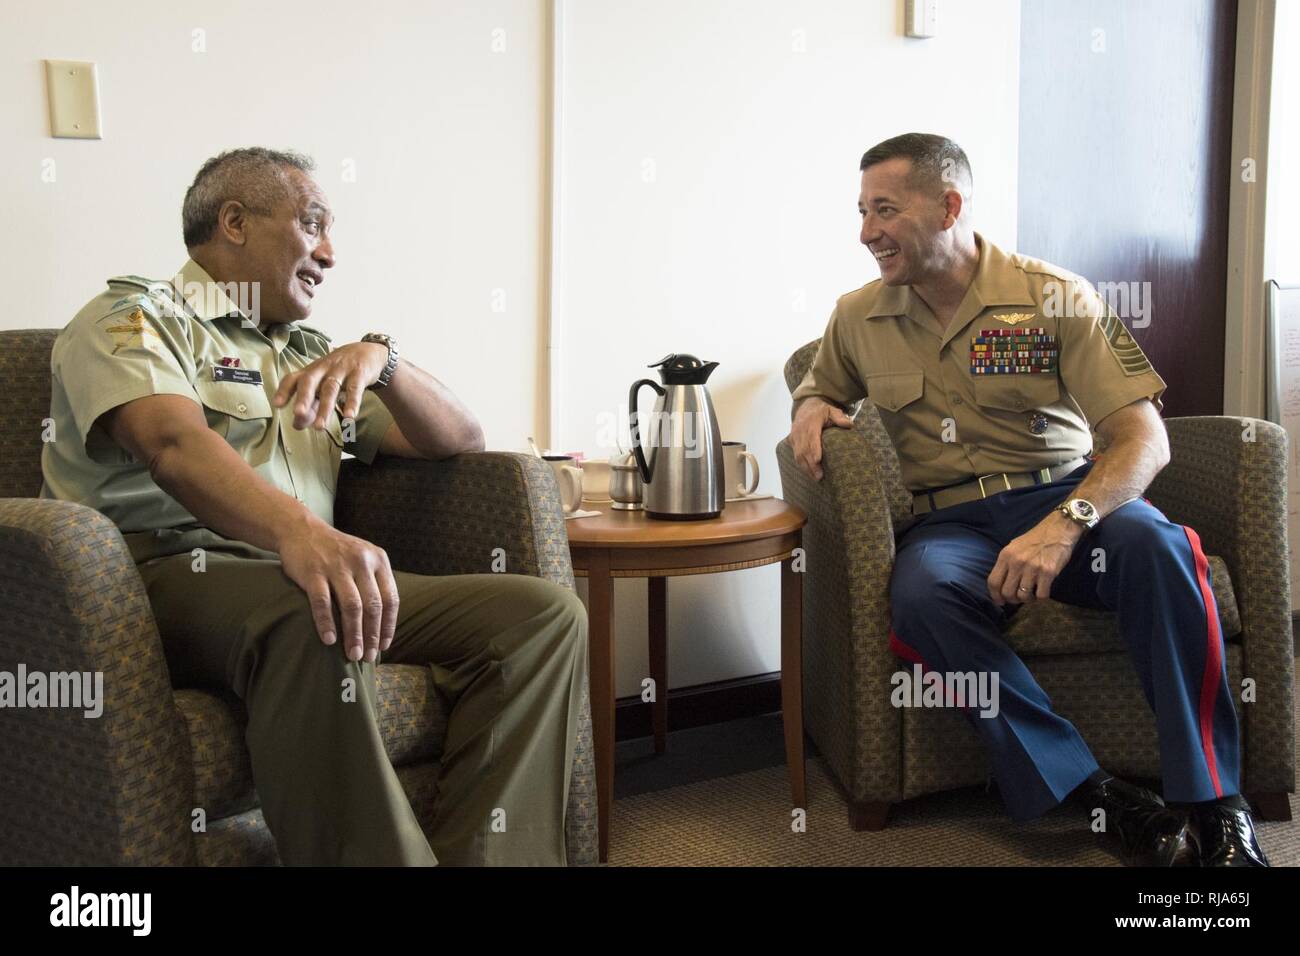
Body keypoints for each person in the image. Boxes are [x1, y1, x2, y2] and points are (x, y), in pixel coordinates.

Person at [40, 147, 588, 866]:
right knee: (311, 603)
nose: (329, 253)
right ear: (233, 221)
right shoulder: (130, 317)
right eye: (312, 224)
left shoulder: (306, 355)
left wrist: (381, 361)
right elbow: (169, 443)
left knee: (539, 616)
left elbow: (460, 438)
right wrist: (303, 534)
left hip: (300, 577)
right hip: (152, 585)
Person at [788, 132, 1269, 867]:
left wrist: (1065, 525)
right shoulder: (858, 316)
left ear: (949, 205)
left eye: (885, 209)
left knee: (1162, 549)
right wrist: (810, 404)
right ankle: (1096, 791)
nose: (867, 232)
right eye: (861, 212)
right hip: (951, 525)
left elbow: (1144, 438)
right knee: (920, 598)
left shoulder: (1052, 296)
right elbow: (822, 382)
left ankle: (1215, 806)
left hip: (1071, 501)